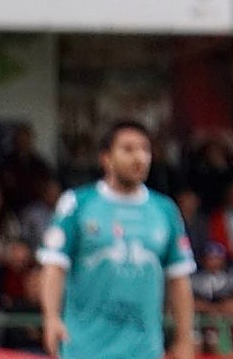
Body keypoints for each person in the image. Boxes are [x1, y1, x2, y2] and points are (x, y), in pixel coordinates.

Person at [37, 120, 195, 359]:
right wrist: (51, 318)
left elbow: (179, 279)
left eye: (145, 149)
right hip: (85, 348)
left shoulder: (165, 210)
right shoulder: (78, 203)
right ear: (106, 158)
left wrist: (184, 338)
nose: (139, 157)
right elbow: (53, 266)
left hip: (144, 350)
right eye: (128, 149)